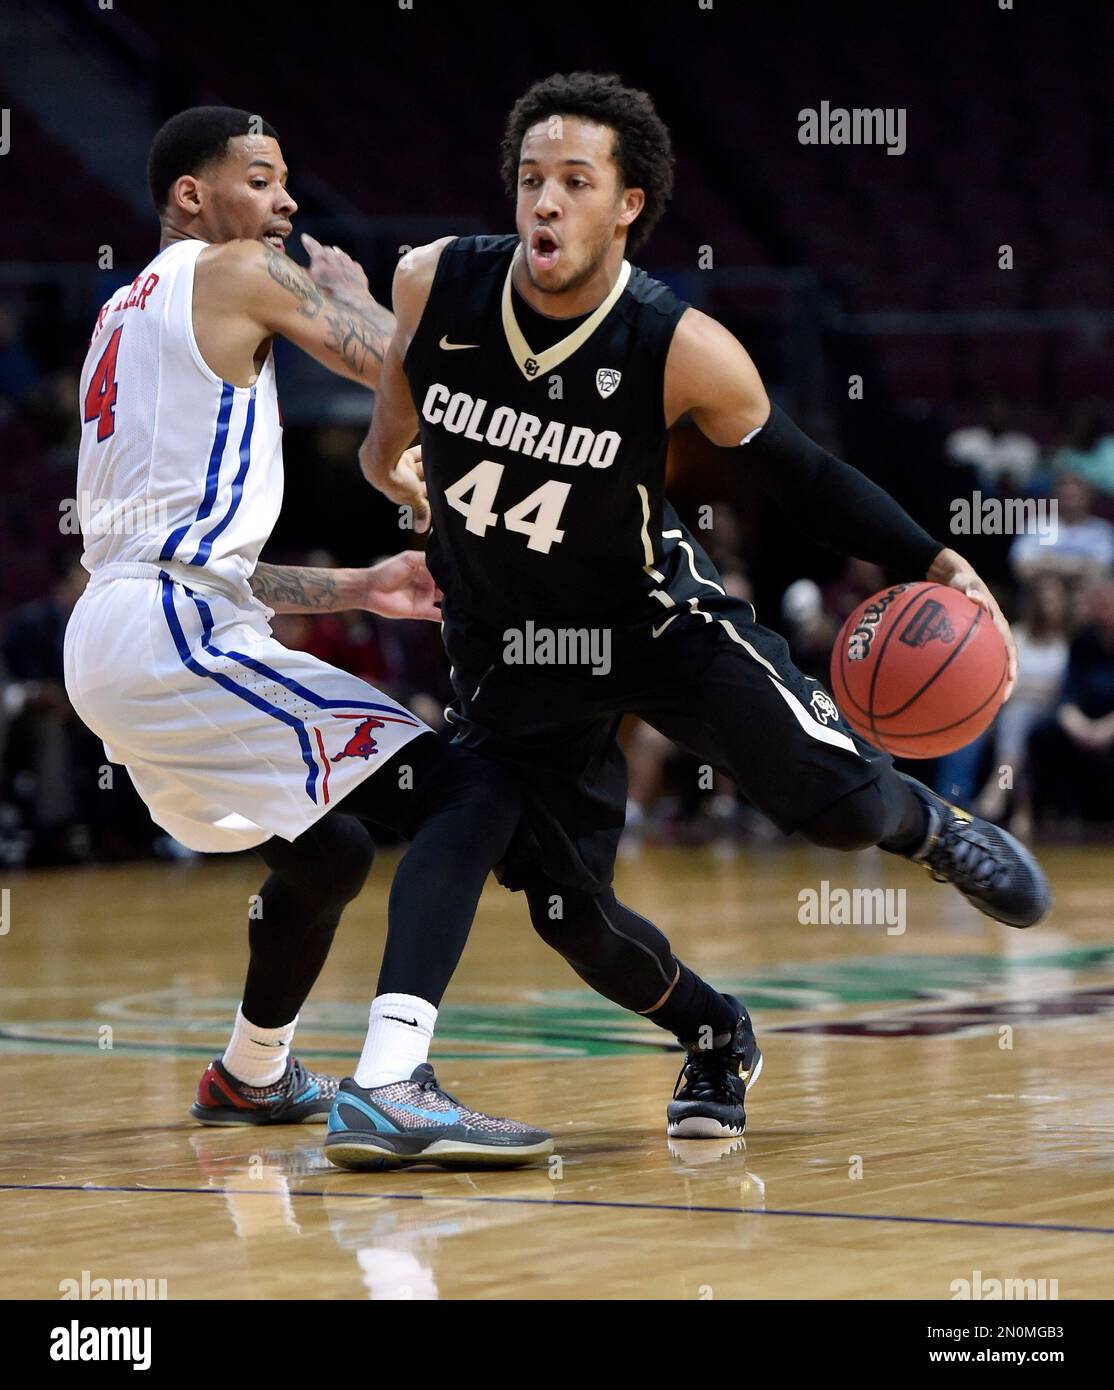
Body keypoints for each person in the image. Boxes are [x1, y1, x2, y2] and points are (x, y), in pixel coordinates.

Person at [358, 72, 1052, 1140]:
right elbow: (388, 430)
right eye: (530, 179)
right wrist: (393, 469)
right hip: (512, 644)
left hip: (658, 627)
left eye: (574, 182)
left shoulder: (679, 345)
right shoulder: (430, 283)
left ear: (627, 203)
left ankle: (929, 824)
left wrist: (936, 556)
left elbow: (804, 477)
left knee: (847, 811)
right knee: (558, 908)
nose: (543, 201)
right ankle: (707, 1032)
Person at [64, 106, 551, 1170]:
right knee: (465, 792)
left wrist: (365, 586)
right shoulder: (234, 268)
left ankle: (251, 1071)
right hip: (170, 627)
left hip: (123, 627)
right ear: (192, 196)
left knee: (326, 849)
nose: (286, 202)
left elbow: (201, 558)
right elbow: (405, 369)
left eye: (288, 181)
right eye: (262, 178)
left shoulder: (121, 314)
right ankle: (390, 1084)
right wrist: (367, 302)